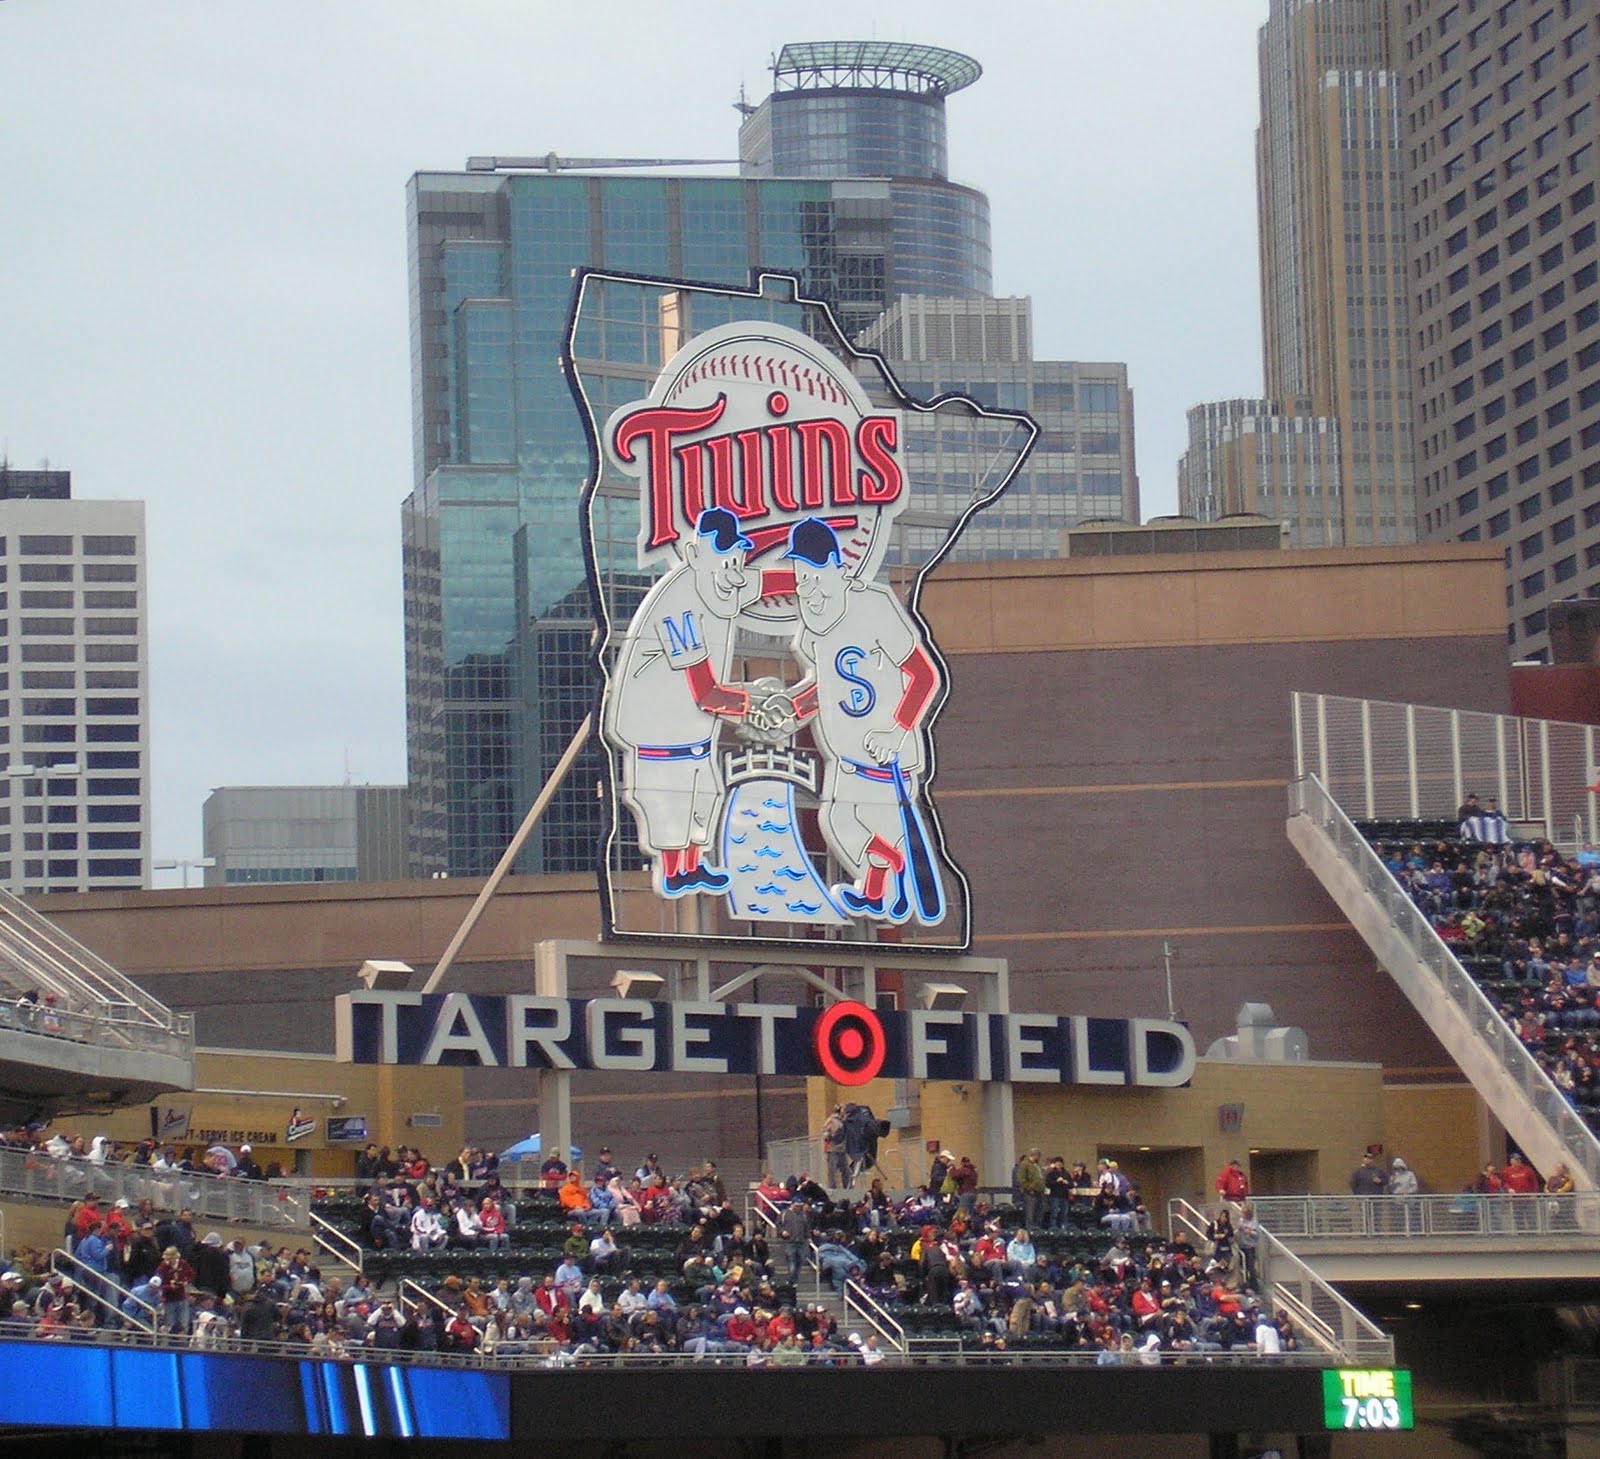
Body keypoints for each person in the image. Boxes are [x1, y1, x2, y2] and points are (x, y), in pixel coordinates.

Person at [783, 516, 944, 924]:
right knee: (839, 823)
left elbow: (924, 675)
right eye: (802, 578)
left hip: (885, 756)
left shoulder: (873, 605)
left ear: (839, 569)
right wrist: (789, 709)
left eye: (816, 576)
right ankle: (885, 882)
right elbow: (822, 687)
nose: (810, 589)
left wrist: (898, 729)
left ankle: (892, 874)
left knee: (863, 824)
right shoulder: (811, 629)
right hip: (845, 754)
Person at [603, 506, 764, 898]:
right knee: (669, 813)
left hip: (692, 737)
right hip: (658, 738)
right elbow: (704, 690)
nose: (734, 570)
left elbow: (765, 583)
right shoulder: (678, 601)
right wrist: (758, 708)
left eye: (737, 559)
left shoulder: (721, 584)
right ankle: (676, 873)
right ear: (694, 555)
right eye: (725, 559)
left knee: (704, 799)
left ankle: (692, 868)